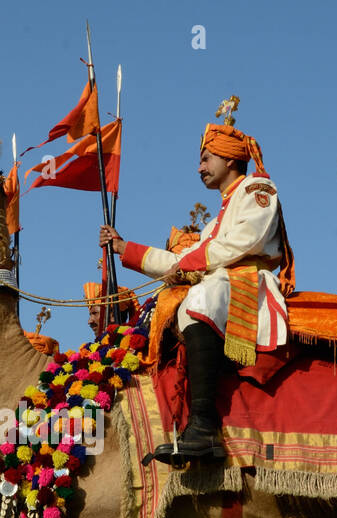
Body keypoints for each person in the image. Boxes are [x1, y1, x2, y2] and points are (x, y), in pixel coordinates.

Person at [100, 100, 294, 465]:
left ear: (230, 160)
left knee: (200, 299)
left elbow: (242, 242)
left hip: (249, 282)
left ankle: (205, 427)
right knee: (178, 301)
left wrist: (191, 264)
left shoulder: (258, 190)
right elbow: (182, 261)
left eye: (207, 159)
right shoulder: (212, 222)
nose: (200, 167)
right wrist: (127, 248)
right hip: (224, 279)